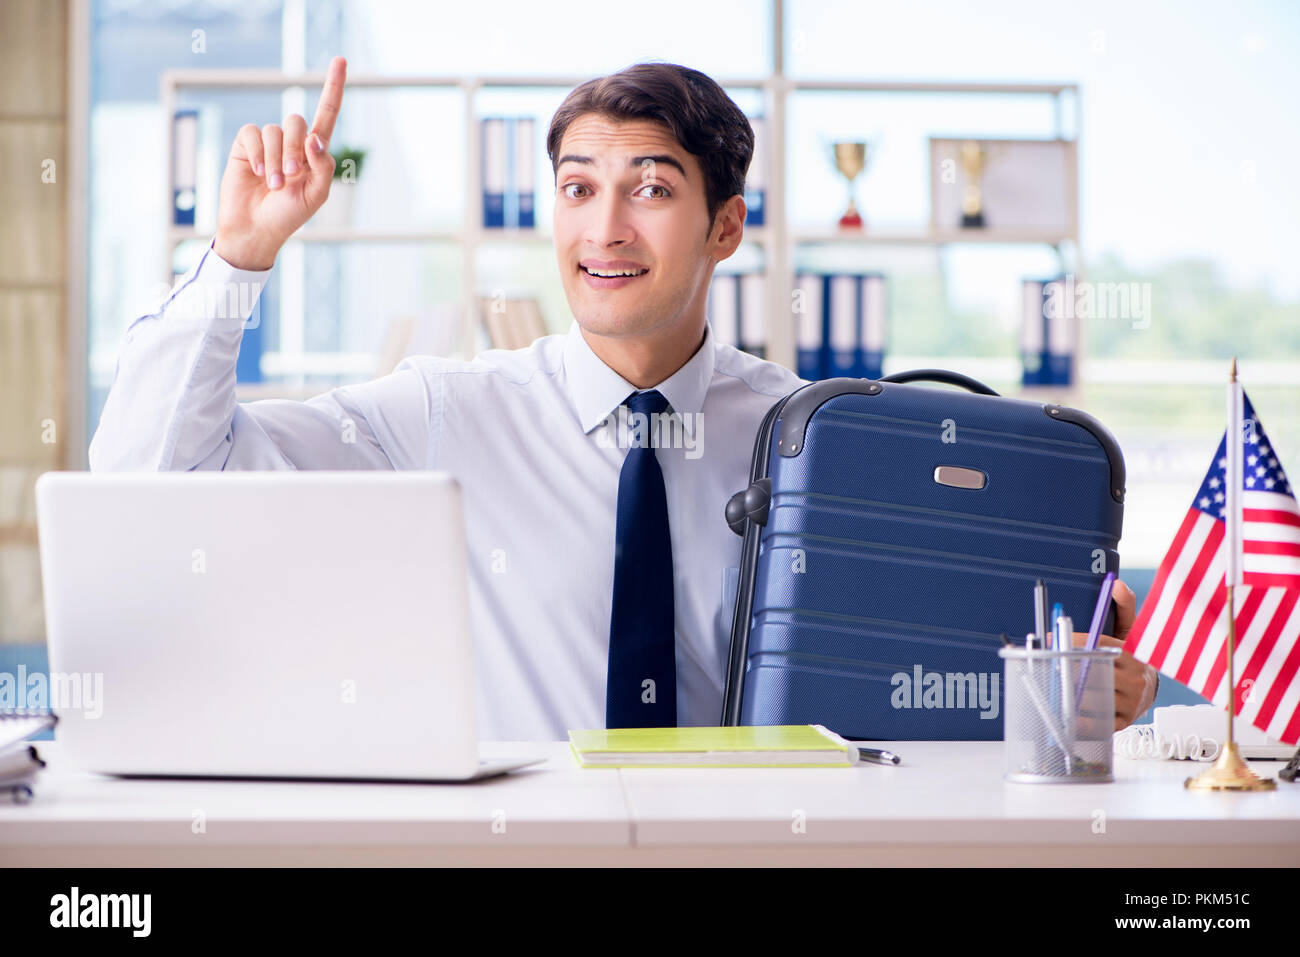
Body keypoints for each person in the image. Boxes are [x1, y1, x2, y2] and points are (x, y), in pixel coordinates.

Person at [89, 57, 1158, 739]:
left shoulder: (822, 441)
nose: (604, 229)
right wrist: (235, 260)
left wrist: (1077, 700)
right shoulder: (440, 415)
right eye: (577, 188)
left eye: (650, 189)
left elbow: (918, 680)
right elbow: (152, 477)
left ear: (726, 228)